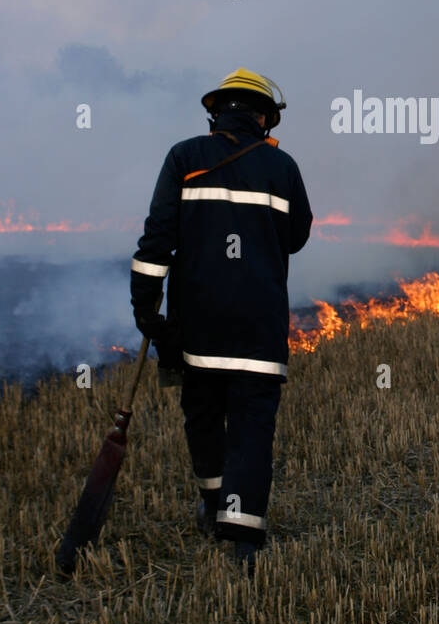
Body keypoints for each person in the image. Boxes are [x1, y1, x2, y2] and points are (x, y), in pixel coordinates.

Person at [130, 69, 312, 576]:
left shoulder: (183, 157)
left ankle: (213, 508)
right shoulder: (282, 166)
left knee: (204, 414)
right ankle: (244, 539)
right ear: (263, 116)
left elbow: (156, 239)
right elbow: (297, 237)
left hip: (198, 326)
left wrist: (146, 308)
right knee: (253, 424)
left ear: (217, 112)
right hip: (260, 324)